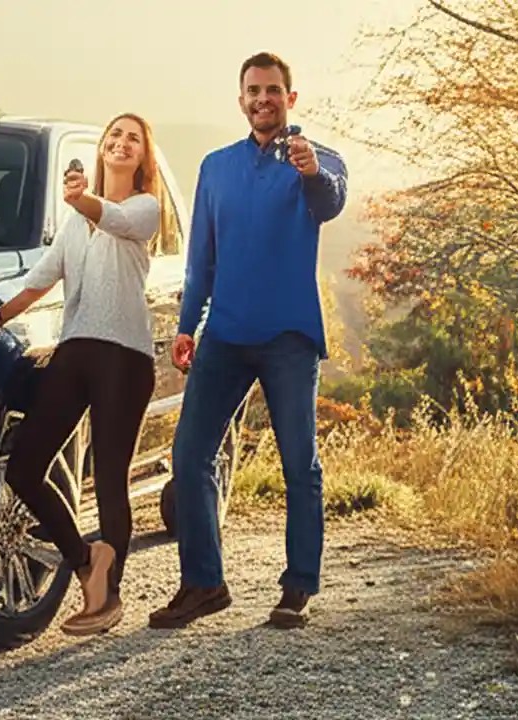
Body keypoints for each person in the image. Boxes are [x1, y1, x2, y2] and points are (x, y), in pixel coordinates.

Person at [147, 52, 349, 630]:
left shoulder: (317, 160)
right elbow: (201, 260)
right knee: (189, 456)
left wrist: (310, 170)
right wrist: (187, 325)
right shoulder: (215, 167)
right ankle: (204, 583)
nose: (263, 99)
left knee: (298, 464)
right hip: (225, 336)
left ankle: (297, 587)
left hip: (289, 336)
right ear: (242, 100)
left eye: (274, 90)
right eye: (254, 91)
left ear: (291, 97)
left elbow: (331, 200)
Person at [0, 113, 164, 636]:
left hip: (125, 357)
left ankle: (106, 598)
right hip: (75, 353)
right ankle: (82, 559)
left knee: (111, 479)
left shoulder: (144, 209)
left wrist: (82, 200)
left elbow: (116, 219)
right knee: (25, 468)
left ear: (142, 157)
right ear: (102, 148)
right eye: (114, 136)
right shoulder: (76, 222)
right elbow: (39, 281)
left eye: (133, 140)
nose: (121, 143)